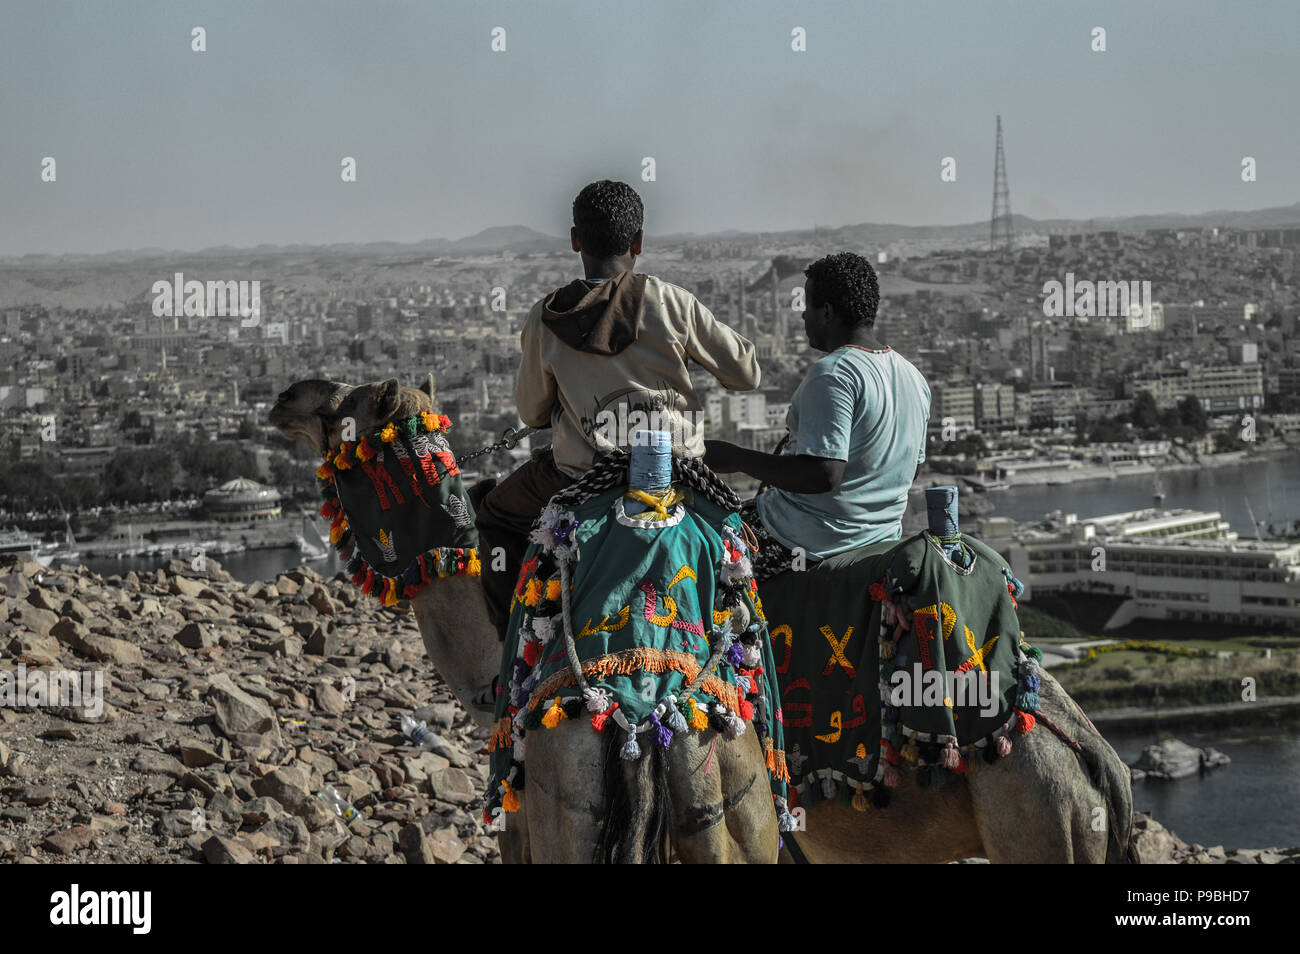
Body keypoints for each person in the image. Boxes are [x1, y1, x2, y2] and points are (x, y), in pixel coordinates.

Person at [475, 179, 761, 642]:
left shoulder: (546, 319)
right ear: (638, 243)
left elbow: (531, 412)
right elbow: (746, 374)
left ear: (575, 240)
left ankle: (513, 647)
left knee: (494, 516)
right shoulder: (670, 302)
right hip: (677, 472)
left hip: (582, 476)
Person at [705, 252, 930, 581]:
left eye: (807, 307)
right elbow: (914, 467)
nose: (802, 318)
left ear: (826, 312)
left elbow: (822, 474)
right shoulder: (913, 376)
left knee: (694, 542)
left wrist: (736, 457)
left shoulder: (834, 373)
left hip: (806, 540)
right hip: (881, 537)